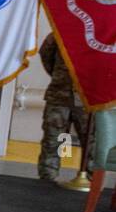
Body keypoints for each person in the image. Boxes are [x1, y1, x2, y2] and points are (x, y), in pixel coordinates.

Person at [37, 31, 91, 186]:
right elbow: (46, 53)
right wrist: (58, 75)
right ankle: (46, 182)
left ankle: (91, 182)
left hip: (88, 98)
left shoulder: (102, 32)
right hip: (59, 95)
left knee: (91, 143)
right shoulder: (62, 28)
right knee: (52, 140)